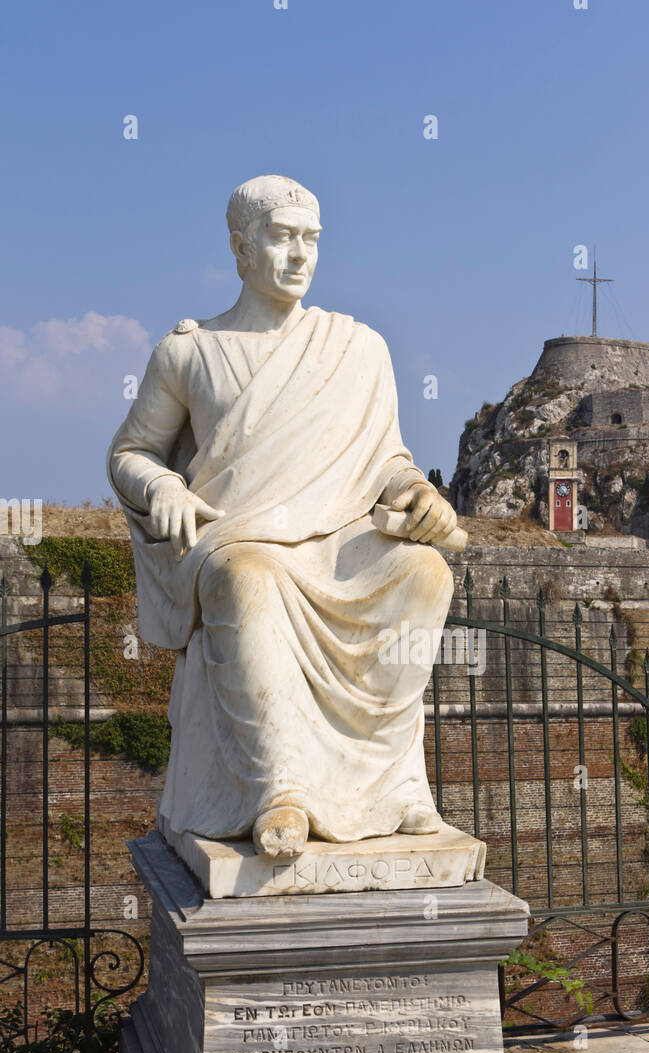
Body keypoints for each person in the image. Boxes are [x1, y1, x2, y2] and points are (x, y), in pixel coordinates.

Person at [108, 175, 459, 857]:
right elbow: (131, 451)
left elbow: (385, 460)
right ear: (241, 250)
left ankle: (390, 785)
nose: (300, 256)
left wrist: (418, 492)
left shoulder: (357, 348)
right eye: (282, 238)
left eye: (311, 240)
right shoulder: (191, 350)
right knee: (246, 577)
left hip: (336, 539)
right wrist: (164, 488)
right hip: (238, 539)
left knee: (423, 572)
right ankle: (281, 790)